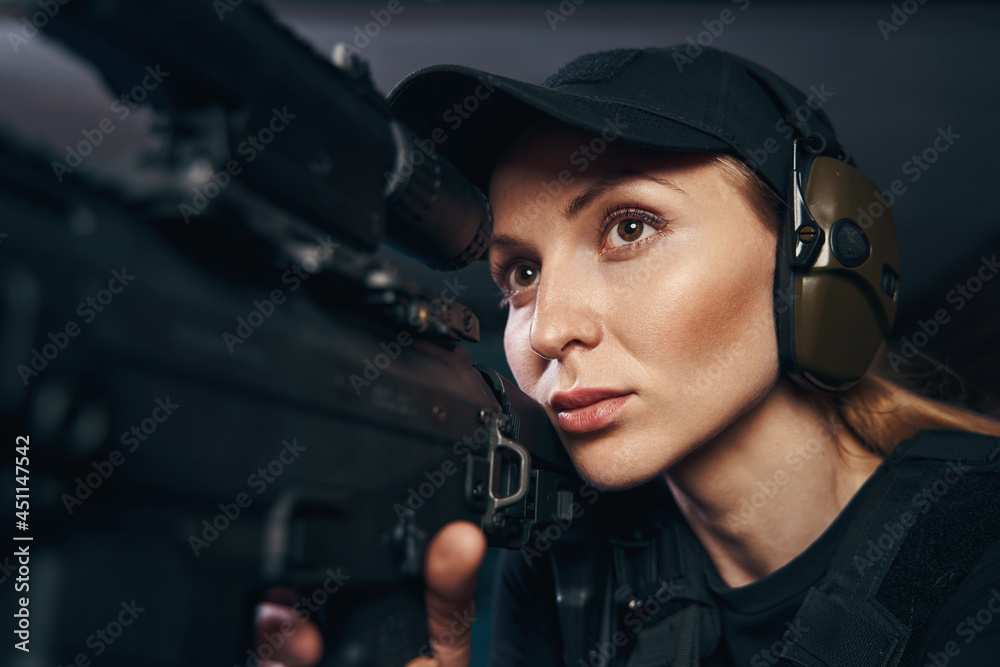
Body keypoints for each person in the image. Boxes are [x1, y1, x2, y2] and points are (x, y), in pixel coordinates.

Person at [259, 46, 1000, 666]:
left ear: (816, 260)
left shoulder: (977, 549)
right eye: (522, 273)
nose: (547, 331)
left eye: (630, 228)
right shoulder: (562, 565)